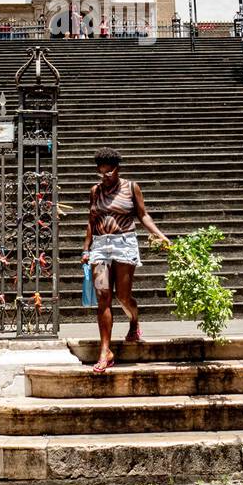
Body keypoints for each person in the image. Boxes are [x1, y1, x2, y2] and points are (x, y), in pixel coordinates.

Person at [82, 147, 169, 374]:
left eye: (109, 172)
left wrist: (159, 235)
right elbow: (91, 220)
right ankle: (105, 351)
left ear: (117, 169)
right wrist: (86, 248)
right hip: (100, 246)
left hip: (124, 243)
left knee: (122, 295)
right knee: (103, 297)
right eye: (101, 172)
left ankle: (134, 320)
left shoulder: (131, 187)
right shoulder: (95, 191)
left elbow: (143, 215)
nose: (105, 176)